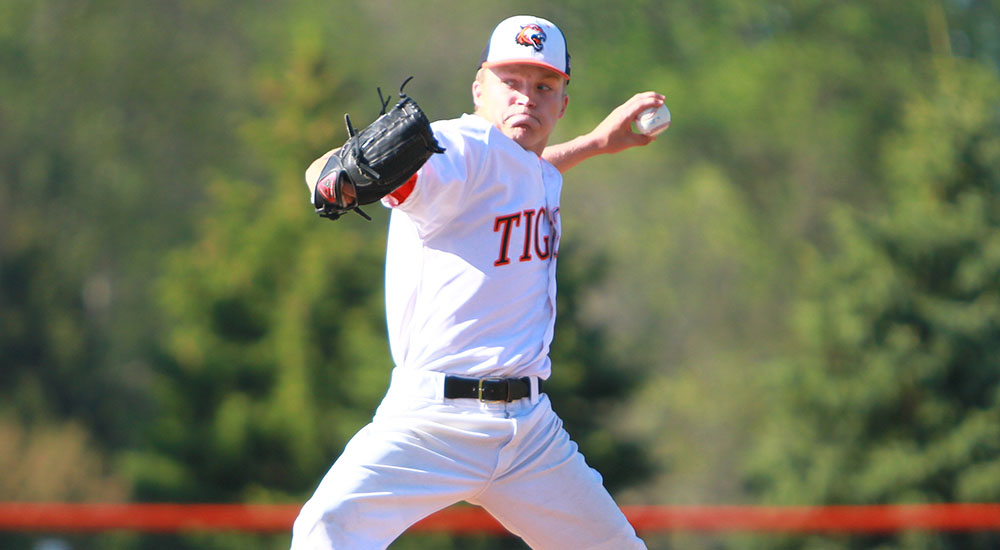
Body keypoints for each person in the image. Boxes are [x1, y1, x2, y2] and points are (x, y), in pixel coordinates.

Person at [292, 15, 665, 550]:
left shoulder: (529, 168)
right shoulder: (459, 147)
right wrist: (334, 176)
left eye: (543, 86)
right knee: (327, 526)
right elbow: (340, 172)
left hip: (530, 436)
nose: (526, 98)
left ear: (562, 103)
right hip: (433, 423)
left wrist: (595, 143)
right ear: (478, 89)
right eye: (510, 81)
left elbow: (524, 172)